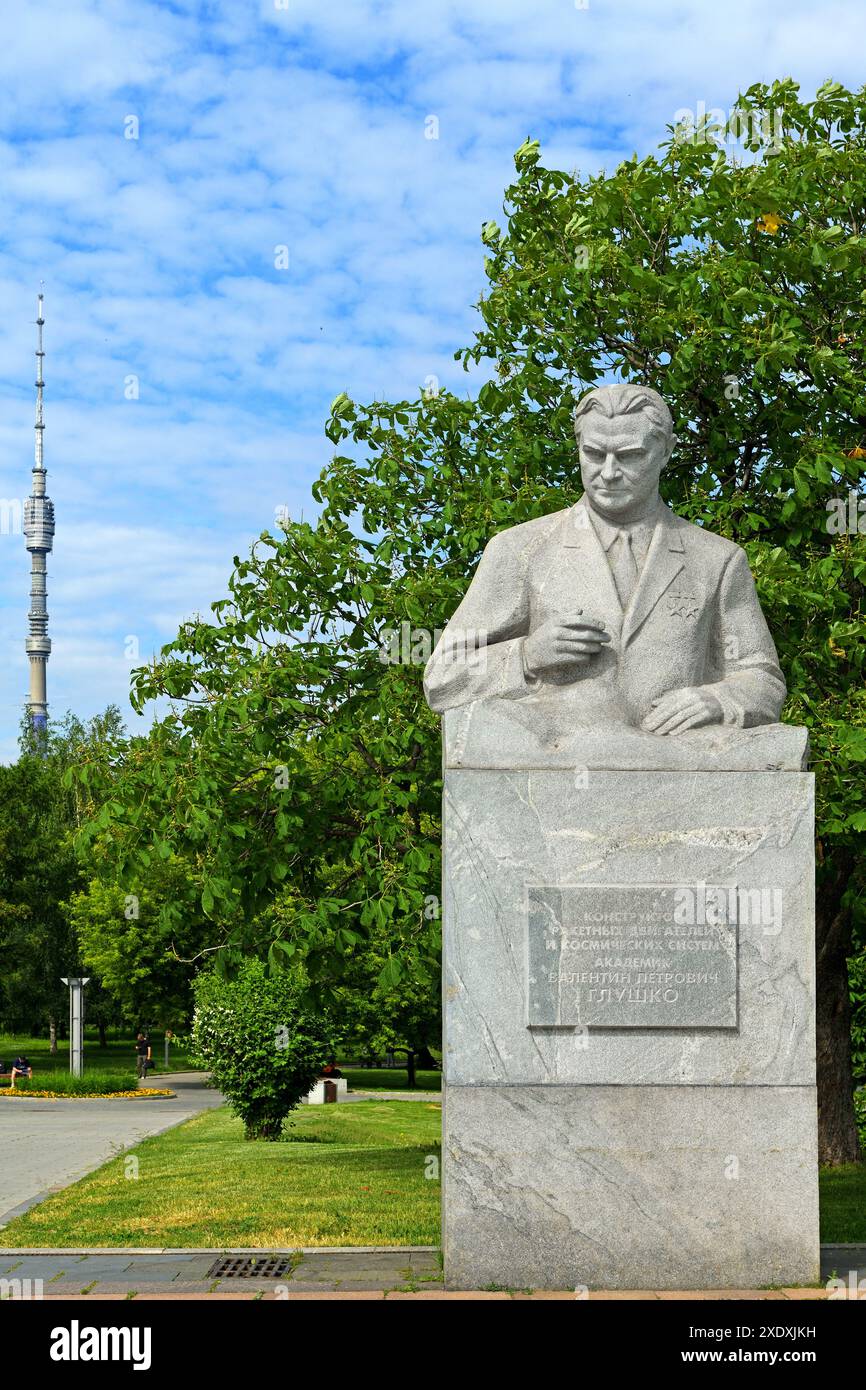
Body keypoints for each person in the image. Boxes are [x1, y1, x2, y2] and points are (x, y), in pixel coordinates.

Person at [424, 383, 785, 737]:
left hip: (678, 760)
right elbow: (442, 678)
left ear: (665, 452)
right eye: (594, 454)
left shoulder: (717, 560)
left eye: (629, 455)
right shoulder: (520, 549)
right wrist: (527, 656)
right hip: (557, 760)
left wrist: (717, 699)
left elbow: (762, 678)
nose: (609, 472)